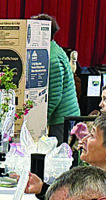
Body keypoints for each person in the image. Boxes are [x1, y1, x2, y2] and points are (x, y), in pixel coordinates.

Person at [33, 13, 80, 143]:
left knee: (59, 155)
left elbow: (55, 95)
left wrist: (41, 122)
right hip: (64, 115)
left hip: (62, 117)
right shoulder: (53, 49)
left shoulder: (52, 58)